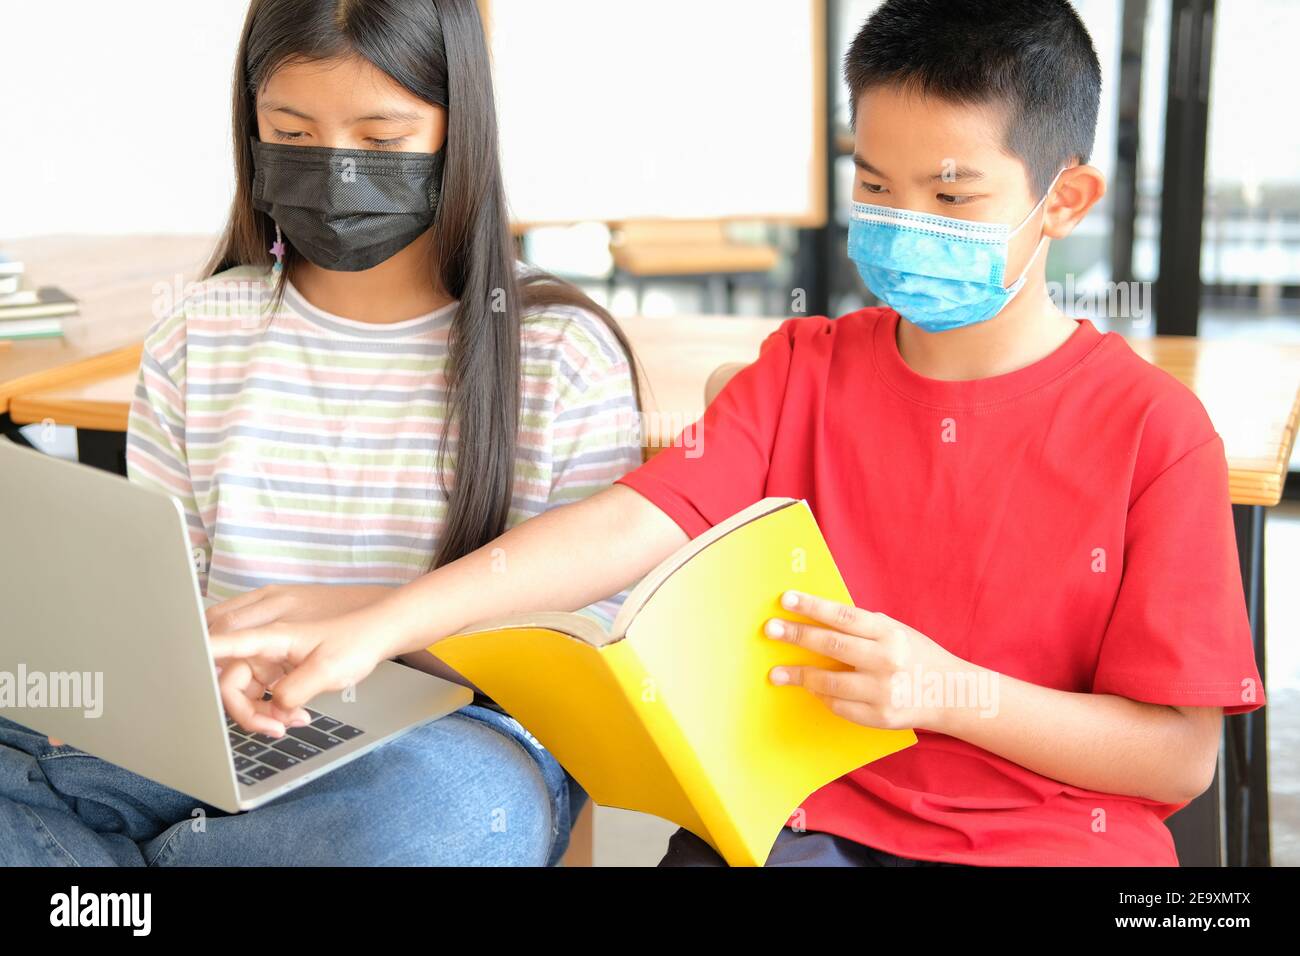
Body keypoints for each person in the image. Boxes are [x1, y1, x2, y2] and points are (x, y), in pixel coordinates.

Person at [206, 0, 1264, 866]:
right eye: (873, 185)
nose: (900, 221)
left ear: (1064, 200)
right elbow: (619, 528)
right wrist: (380, 624)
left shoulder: (1152, 431)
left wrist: (948, 690)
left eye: (949, 193)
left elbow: (1174, 759)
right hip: (796, 829)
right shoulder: (804, 371)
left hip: (1046, 847)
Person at [0, 0, 641, 867]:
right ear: (251, 126)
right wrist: (198, 667)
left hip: (440, 741)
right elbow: (163, 593)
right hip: (210, 724)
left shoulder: (559, 351)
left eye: (381, 142)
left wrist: (375, 626)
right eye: (293, 135)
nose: (337, 176)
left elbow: (586, 652)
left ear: (463, 131)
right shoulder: (199, 331)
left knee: (454, 817)